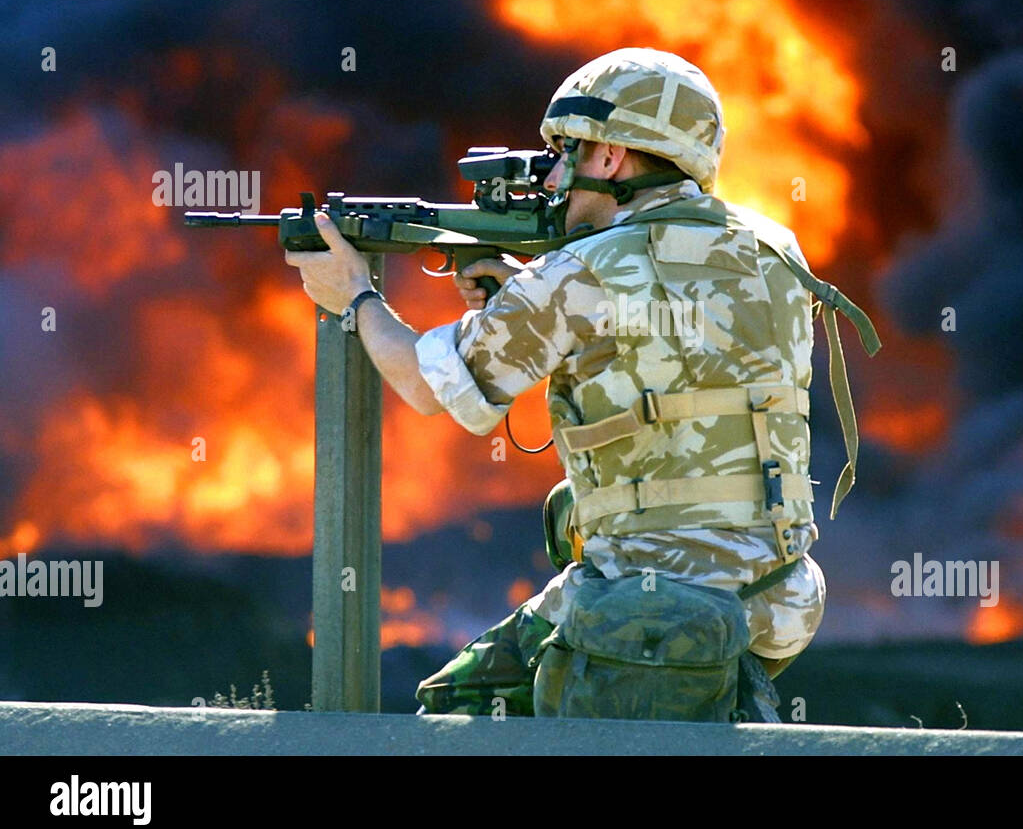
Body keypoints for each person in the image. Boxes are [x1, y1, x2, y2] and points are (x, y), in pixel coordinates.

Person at [285, 47, 880, 722]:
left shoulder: (580, 271)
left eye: (567, 151)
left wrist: (354, 297)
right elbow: (681, 350)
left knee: (460, 706)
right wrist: (526, 300)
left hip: (654, 599)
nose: (556, 174)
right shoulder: (777, 250)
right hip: (780, 597)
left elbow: (430, 384)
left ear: (609, 158)